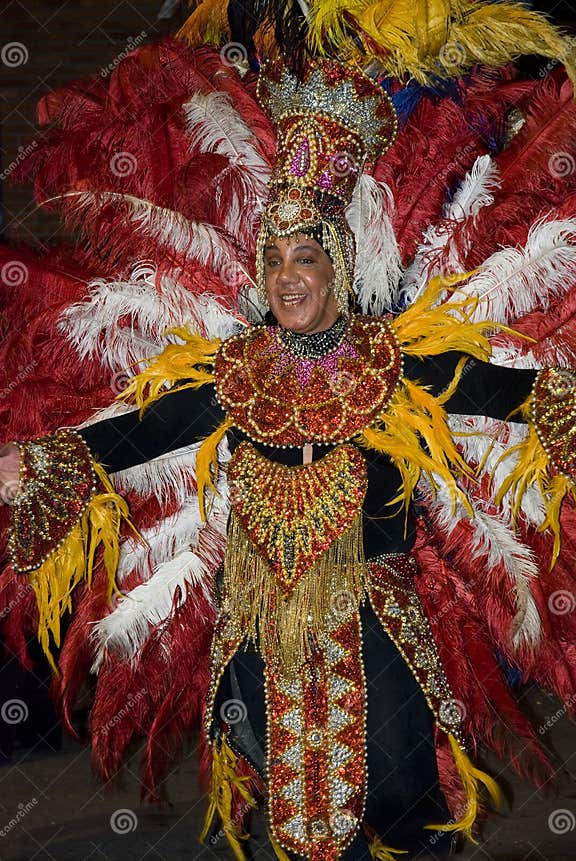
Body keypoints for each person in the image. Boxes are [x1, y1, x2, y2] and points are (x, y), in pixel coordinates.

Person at [1, 56, 576, 861]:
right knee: (295, 824)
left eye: (303, 258)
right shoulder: (233, 374)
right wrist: (38, 460)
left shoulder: (397, 363)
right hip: (258, 638)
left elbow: (515, 392)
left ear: (337, 267)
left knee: (400, 806)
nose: (284, 277)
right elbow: (140, 433)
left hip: (377, 636)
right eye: (272, 260)